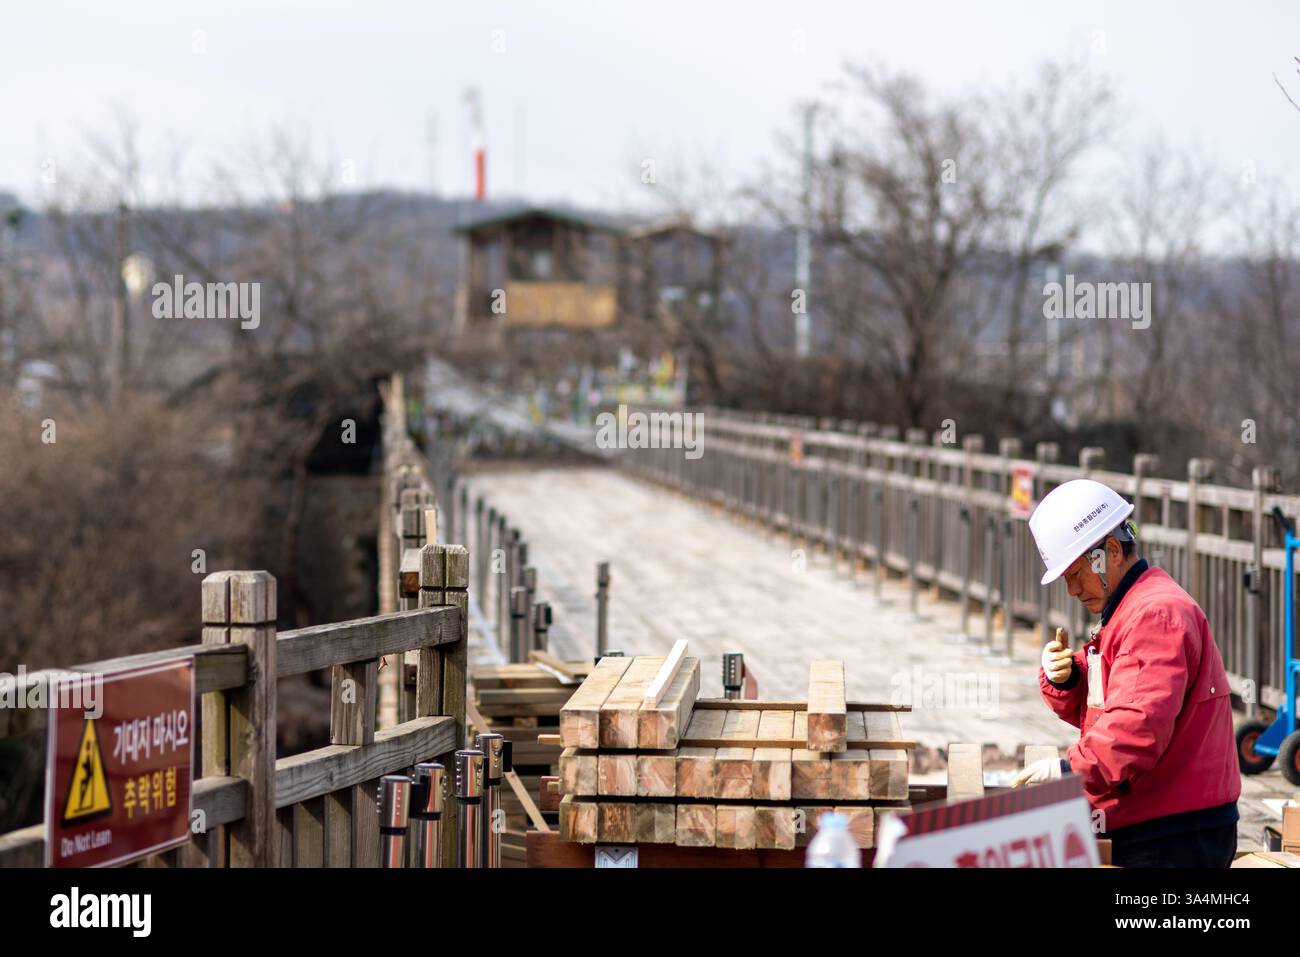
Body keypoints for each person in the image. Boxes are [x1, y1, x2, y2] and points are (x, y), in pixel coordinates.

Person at [1014, 478, 1241, 867]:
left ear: (1111, 551)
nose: (1071, 590)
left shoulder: (1155, 615)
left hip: (1171, 832)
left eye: (1075, 574)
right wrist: (1069, 679)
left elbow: (1137, 727)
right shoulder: (1136, 608)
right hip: (1164, 819)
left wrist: (1070, 770)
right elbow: (1119, 697)